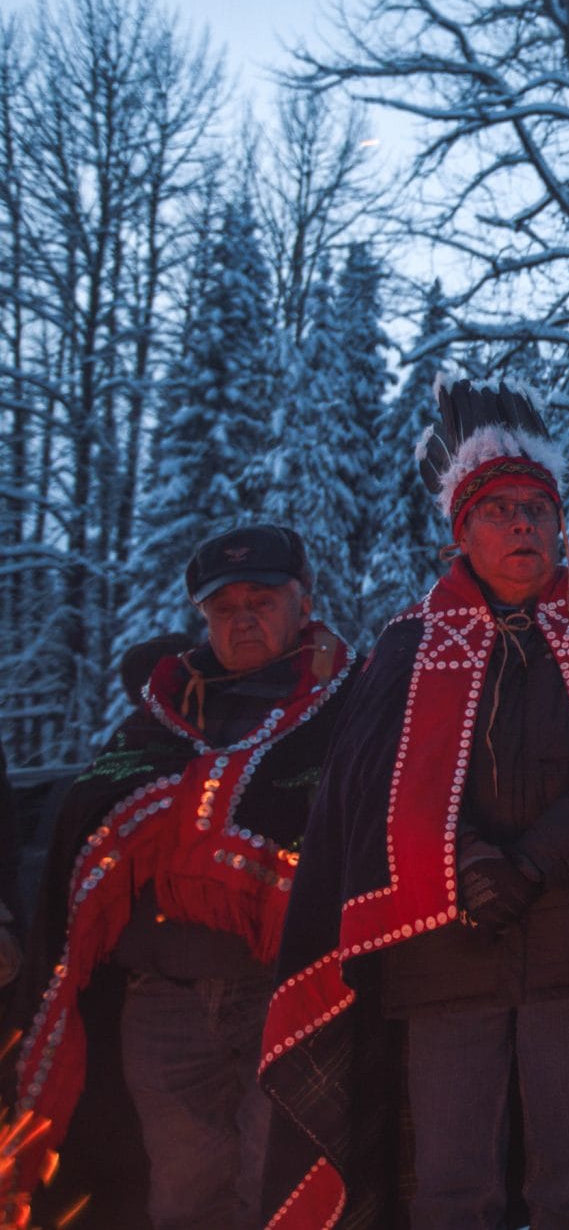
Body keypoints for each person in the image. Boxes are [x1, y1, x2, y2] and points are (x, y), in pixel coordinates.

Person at [258, 379, 569, 1229]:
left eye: (538, 510)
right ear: (461, 531)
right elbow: (376, 795)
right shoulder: (407, 647)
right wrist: (469, 860)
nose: (523, 525)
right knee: (449, 1187)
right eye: (501, 509)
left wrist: (533, 859)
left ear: (562, 525)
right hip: (444, 960)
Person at [15, 525, 353, 1230]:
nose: (243, 617)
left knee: (283, 1188)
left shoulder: (343, 712)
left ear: (305, 601)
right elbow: (92, 812)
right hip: (162, 1006)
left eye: (262, 599)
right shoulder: (161, 718)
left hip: (287, 997)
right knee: (182, 1200)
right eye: (223, 607)